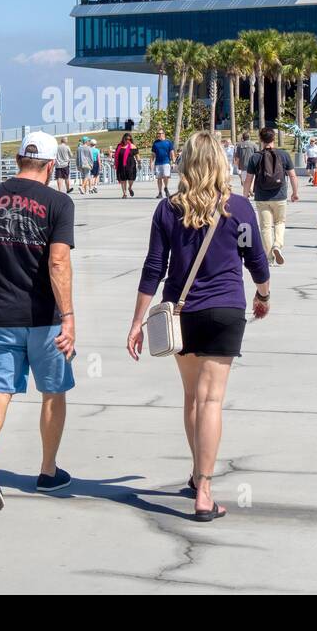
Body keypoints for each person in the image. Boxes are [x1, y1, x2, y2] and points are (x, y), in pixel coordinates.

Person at [126, 131, 270, 522]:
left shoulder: (168, 210)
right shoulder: (239, 208)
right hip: (225, 310)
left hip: (181, 311)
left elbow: (154, 268)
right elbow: (257, 260)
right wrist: (264, 296)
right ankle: (204, 490)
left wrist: (137, 321)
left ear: (186, 162)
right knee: (211, 401)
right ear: (222, 162)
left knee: (192, 397)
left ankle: (196, 476)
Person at [0, 131, 77, 509]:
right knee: (53, 391)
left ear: (17, 161)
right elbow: (58, 261)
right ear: (50, 166)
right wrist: (69, 317)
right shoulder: (59, 202)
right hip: (45, 319)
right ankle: (47, 472)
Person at [243, 127, 299, 265]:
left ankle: (269, 258)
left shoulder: (255, 157)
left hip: (262, 197)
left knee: (266, 227)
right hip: (280, 196)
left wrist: (244, 197)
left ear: (261, 140)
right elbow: (292, 175)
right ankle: (277, 245)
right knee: (280, 222)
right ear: (273, 138)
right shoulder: (284, 155)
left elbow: (248, 180)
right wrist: (295, 193)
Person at [151, 128, 175, 198]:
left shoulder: (168, 142)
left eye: (161, 133)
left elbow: (172, 152)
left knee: (166, 176)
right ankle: (160, 192)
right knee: (159, 178)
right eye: (158, 134)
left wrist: (173, 162)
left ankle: (166, 187)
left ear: (164, 134)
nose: (159, 135)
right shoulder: (155, 143)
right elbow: (153, 154)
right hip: (158, 163)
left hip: (166, 162)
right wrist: (151, 163)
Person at [114, 132, 139, 198]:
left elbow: (137, 156)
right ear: (123, 139)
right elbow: (116, 156)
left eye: (129, 139)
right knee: (123, 179)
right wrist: (114, 164)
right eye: (126, 139)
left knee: (131, 179)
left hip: (131, 165)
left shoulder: (133, 146)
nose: (127, 140)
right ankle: (124, 194)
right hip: (121, 165)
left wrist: (139, 163)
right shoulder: (119, 146)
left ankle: (130, 187)